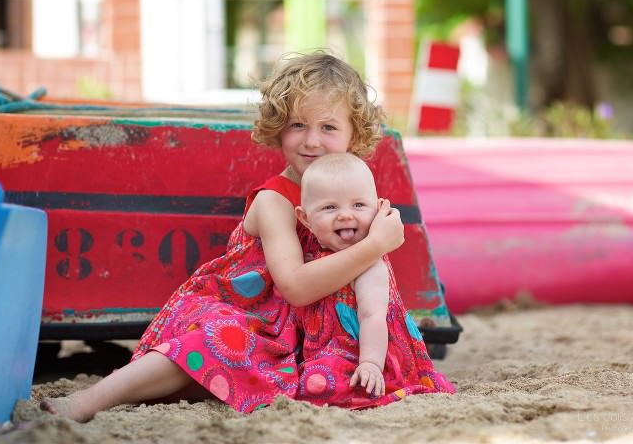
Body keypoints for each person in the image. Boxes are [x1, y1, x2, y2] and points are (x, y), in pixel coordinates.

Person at [39, 52, 405, 421]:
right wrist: (375, 244)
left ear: (353, 134)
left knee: (230, 377)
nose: (311, 140)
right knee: (210, 345)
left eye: (328, 127)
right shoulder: (275, 201)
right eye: (297, 125)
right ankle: (88, 401)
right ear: (278, 128)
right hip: (251, 313)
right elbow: (296, 287)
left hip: (300, 330)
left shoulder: (355, 193)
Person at [294, 153, 456, 408]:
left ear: (378, 209)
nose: (345, 215)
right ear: (305, 219)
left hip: (366, 354)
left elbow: (372, 317)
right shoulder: (315, 257)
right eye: (330, 207)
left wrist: (370, 363)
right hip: (327, 349)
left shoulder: (369, 265)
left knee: (318, 384)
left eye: (358, 205)